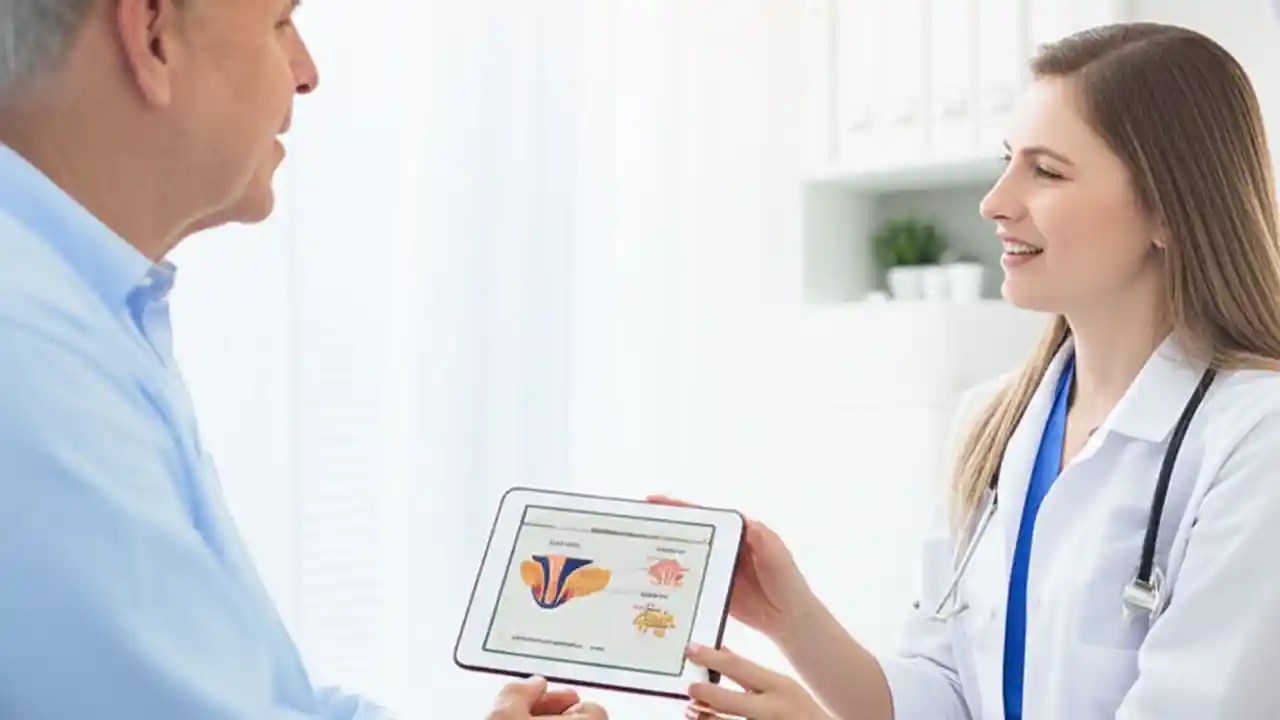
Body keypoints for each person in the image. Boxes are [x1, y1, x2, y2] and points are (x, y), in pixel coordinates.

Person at [0, 1, 607, 718]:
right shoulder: (31, 358)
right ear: (152, 34)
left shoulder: (88, 313)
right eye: (279, 24)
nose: (307, 73)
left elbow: (242, 694)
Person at [672, 22, 1280, 720]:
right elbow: (947, 693)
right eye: (1007, 161)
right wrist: (791, 616)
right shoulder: (996, 423)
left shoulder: (1256, 441)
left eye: (1046, 171)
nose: (995, 202)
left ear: (1171, 210)